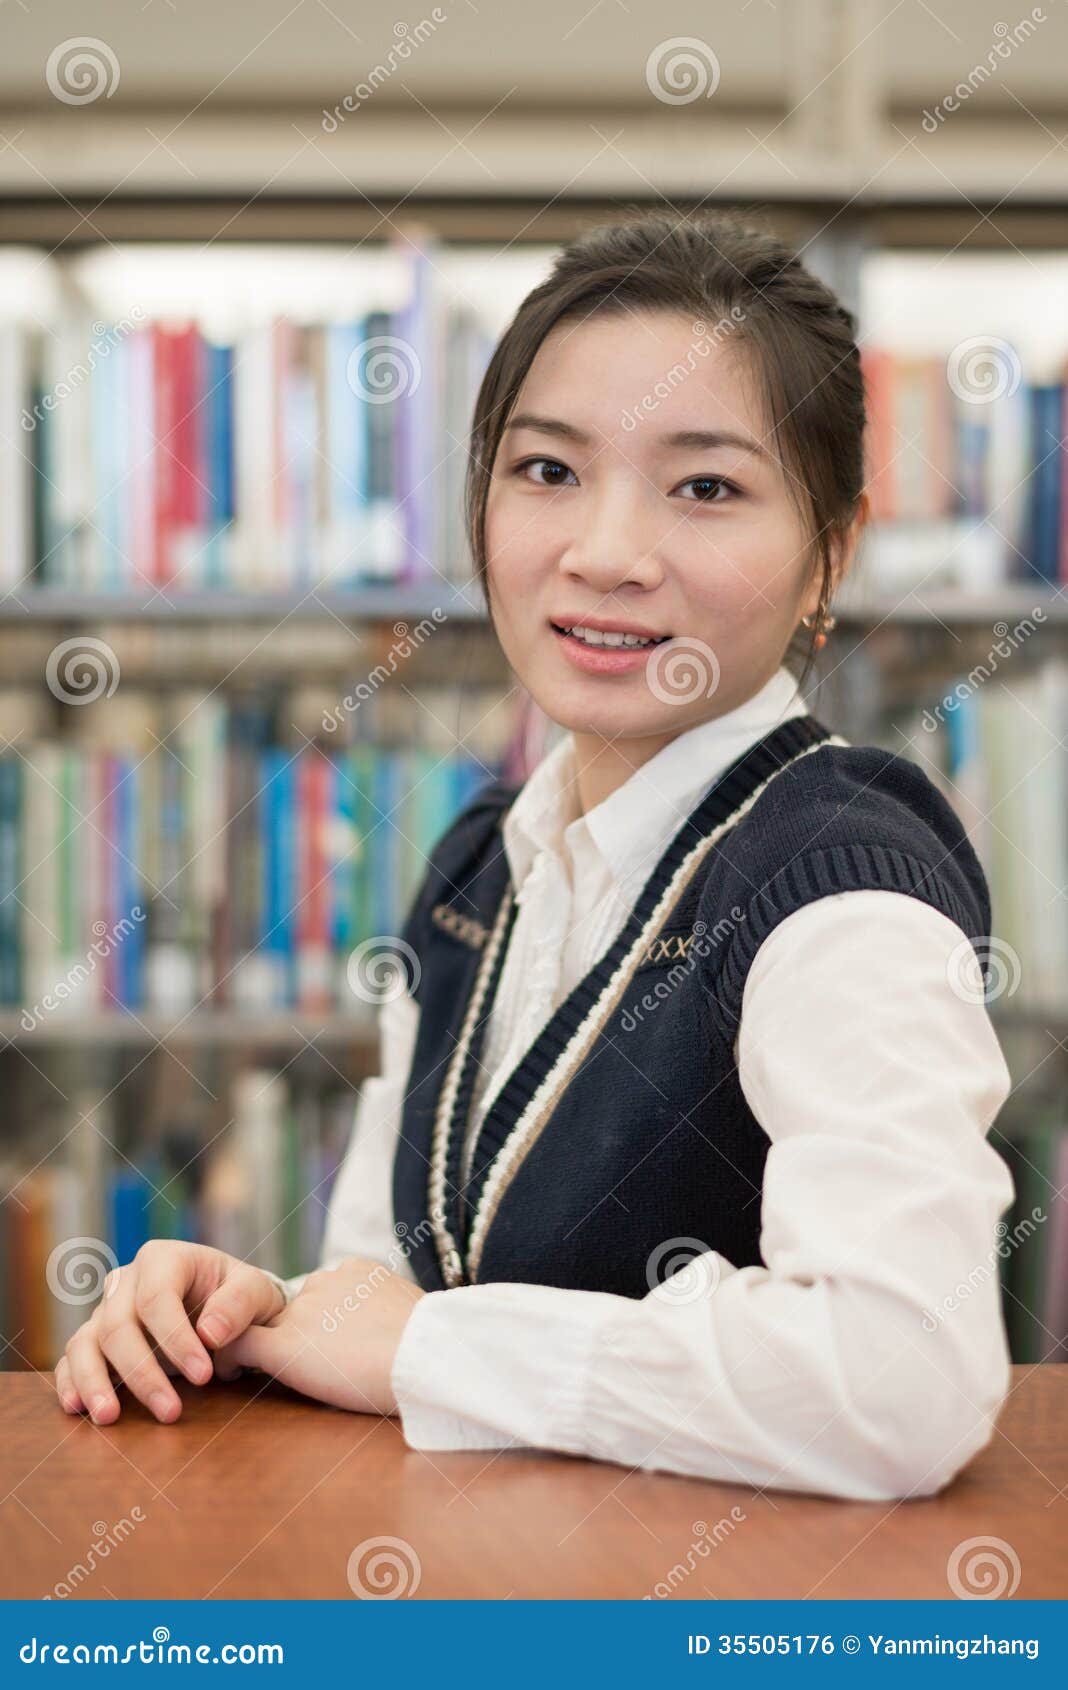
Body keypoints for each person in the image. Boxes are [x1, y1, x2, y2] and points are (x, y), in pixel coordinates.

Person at [55, 211, 1015, 1502]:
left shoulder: (840, 884)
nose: (604, 554)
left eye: (706, 487)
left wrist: (427, 1346)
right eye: (548, 470)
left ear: (828, 555)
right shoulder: (477, 869)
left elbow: (904, 1379)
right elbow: (389, 1290)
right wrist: (257, 1313)